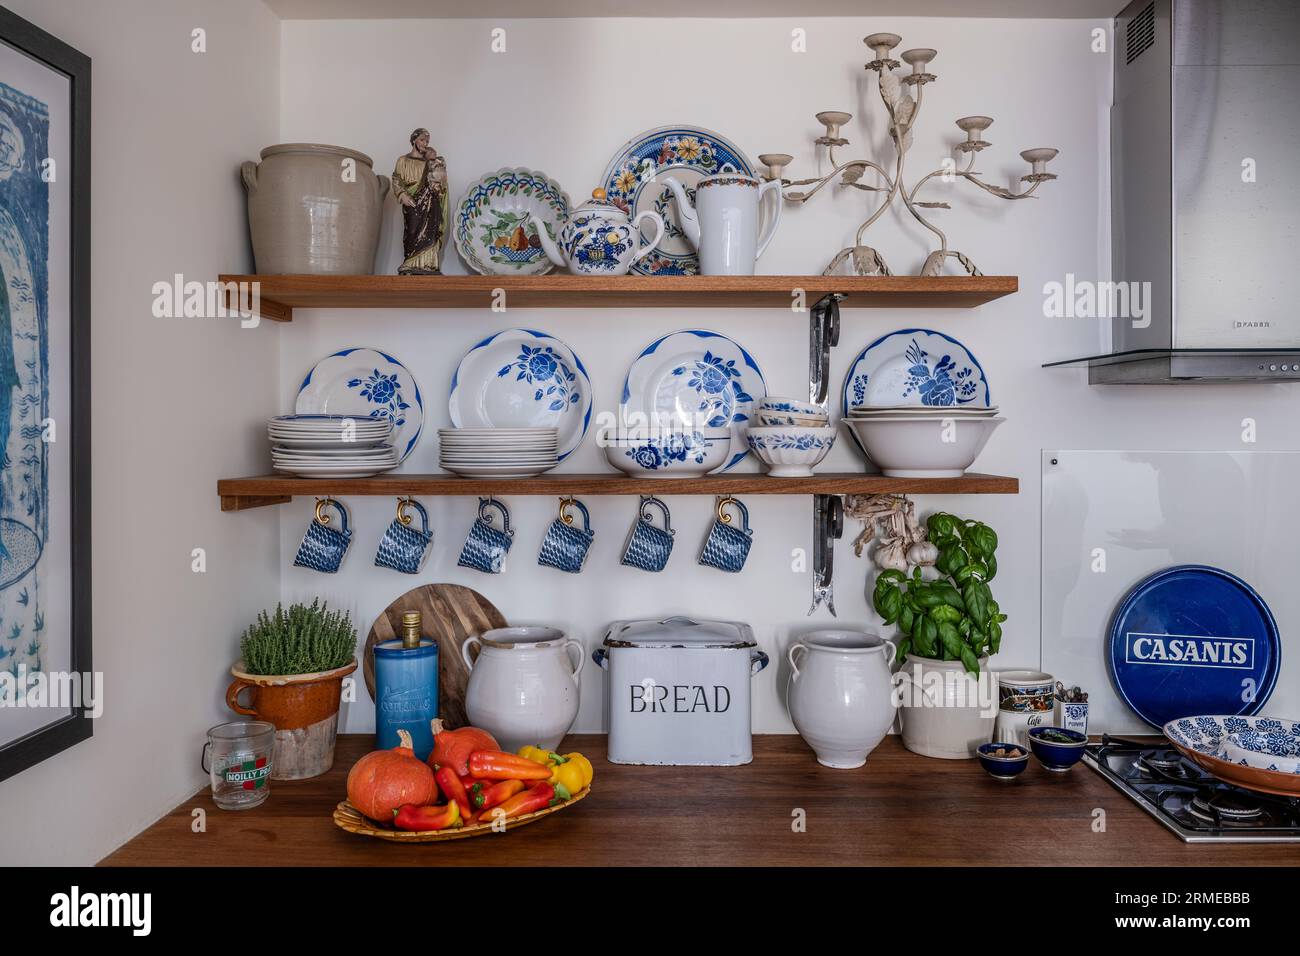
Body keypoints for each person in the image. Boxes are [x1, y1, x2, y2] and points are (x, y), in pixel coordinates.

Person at [391, 128, 448, 275]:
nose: (424, 143)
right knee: (412, 231)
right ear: (414, 140)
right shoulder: (403, 160)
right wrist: (402, 194)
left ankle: (428, 263)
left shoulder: (428, 162)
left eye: (427, 141)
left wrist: (435, 162)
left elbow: (439, 180)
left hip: (430, 202)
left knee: (431, 231)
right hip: (412, 202)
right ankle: (410, 261)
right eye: (422, 140)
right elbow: (397, 180)